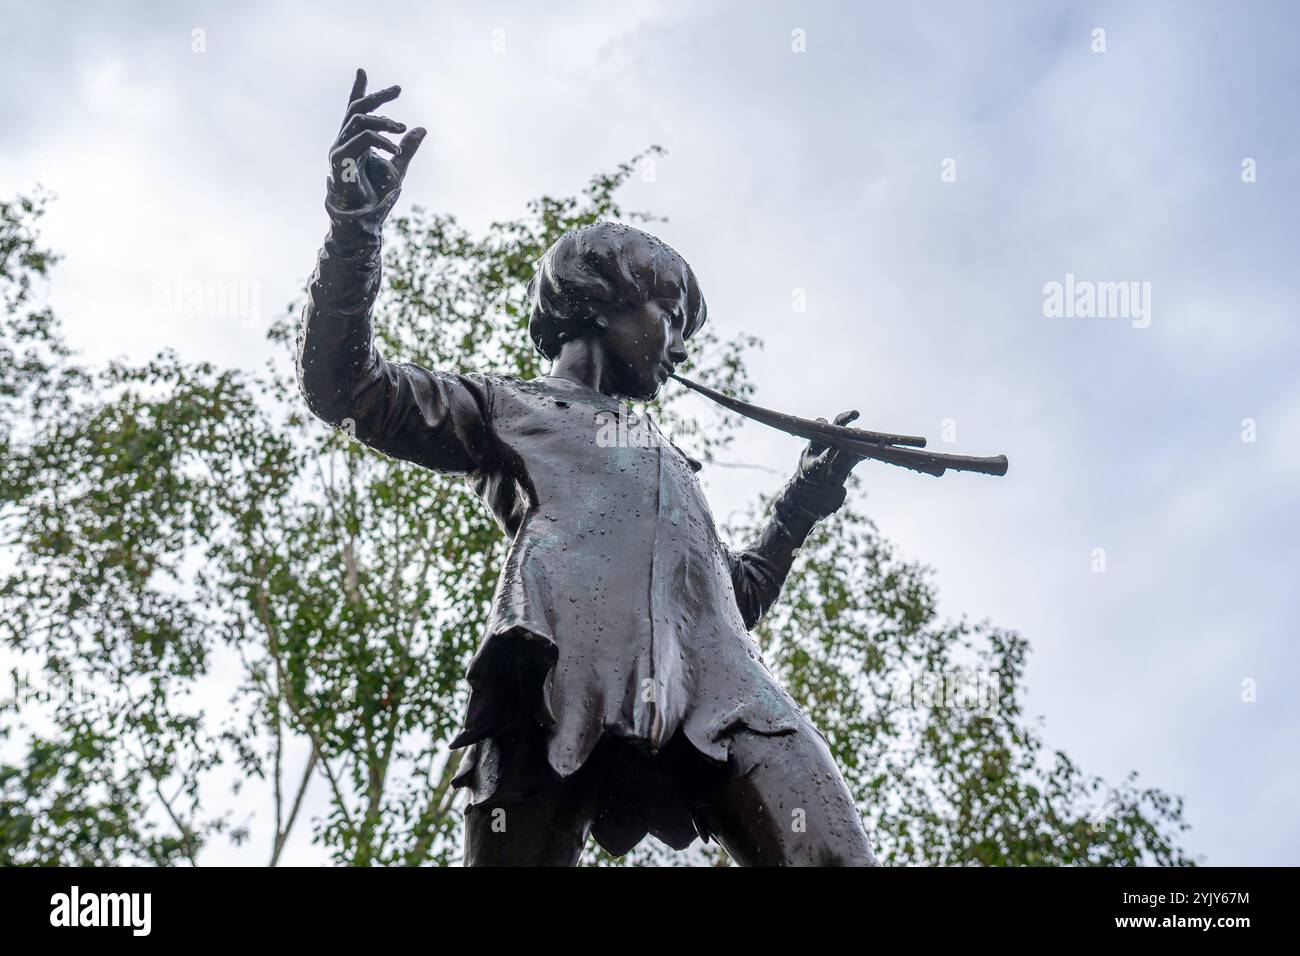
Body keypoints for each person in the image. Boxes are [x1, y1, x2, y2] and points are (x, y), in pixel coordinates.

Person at [298, 69, 880, 866]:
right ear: (599, 301)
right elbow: (348, 389)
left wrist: (801, 506)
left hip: (718, 693)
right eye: (668, 316)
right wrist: (354, 232)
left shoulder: (672, 463)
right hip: (552, 675)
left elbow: (723, 604)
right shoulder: (510, 408)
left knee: (835, 857)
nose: (678, 343)